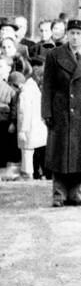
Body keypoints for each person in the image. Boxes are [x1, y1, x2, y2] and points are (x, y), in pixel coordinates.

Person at [42, 19, 81, 205]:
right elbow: (47, 85)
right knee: (59, 153)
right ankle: (59, 194)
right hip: (61, 112)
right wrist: (46, 112)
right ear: (67, 34)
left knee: (78, 153)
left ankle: (76, 193)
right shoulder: (55, 55)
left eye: (79, 34)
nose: (75, 37)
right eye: (72, 33)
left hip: (80, 113)